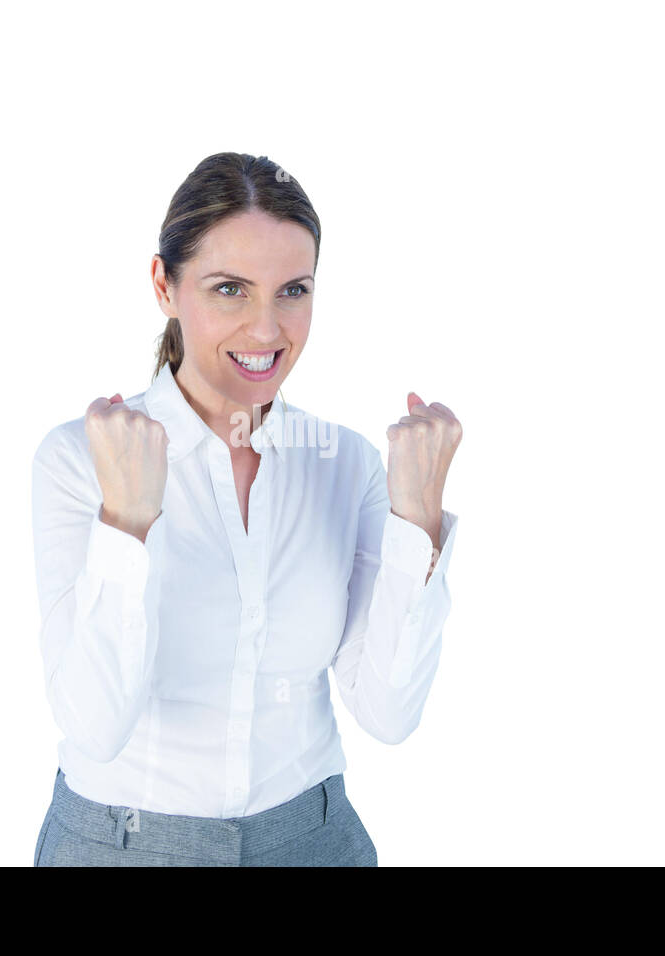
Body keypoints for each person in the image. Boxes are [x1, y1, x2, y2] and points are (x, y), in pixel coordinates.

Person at [30, 152, 462, 866]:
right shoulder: (78, 460)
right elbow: (94, 725)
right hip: (121, 847)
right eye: (230, 289)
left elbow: (388, 715)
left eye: (293, 289)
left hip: (313, 841)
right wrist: (128, 524)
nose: (267, 329)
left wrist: (418, 521)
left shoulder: (345, 464)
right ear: (163, 285)